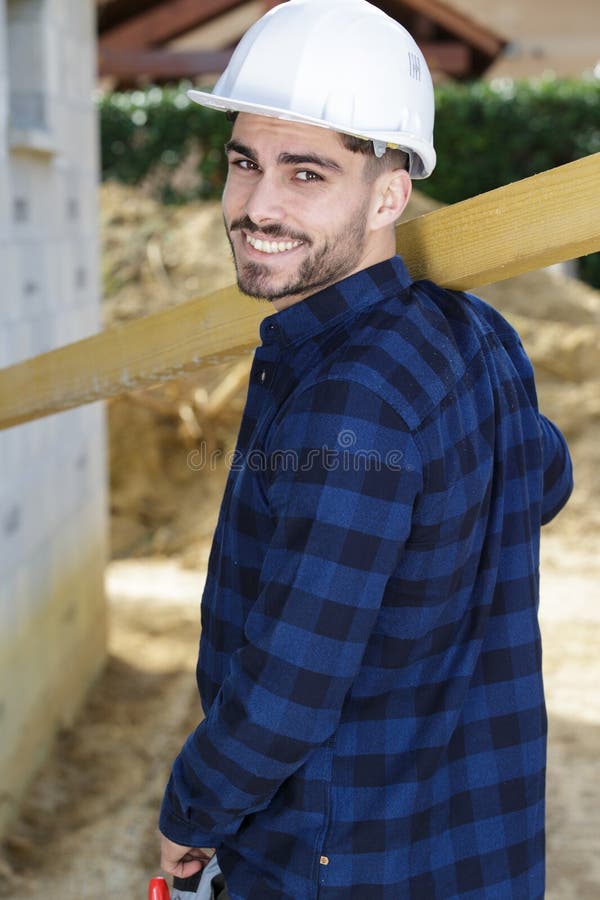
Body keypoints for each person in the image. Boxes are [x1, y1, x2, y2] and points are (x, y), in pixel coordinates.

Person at [158, 1, 573, 897]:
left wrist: (191, 816)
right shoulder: (478, 335)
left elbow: (287, 690)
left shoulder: (348, 400)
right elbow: (546, 476)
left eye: (307, 173)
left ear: (390, 195)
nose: (257, 205)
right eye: (244, 163)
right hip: (473, 848)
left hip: (338, 861)